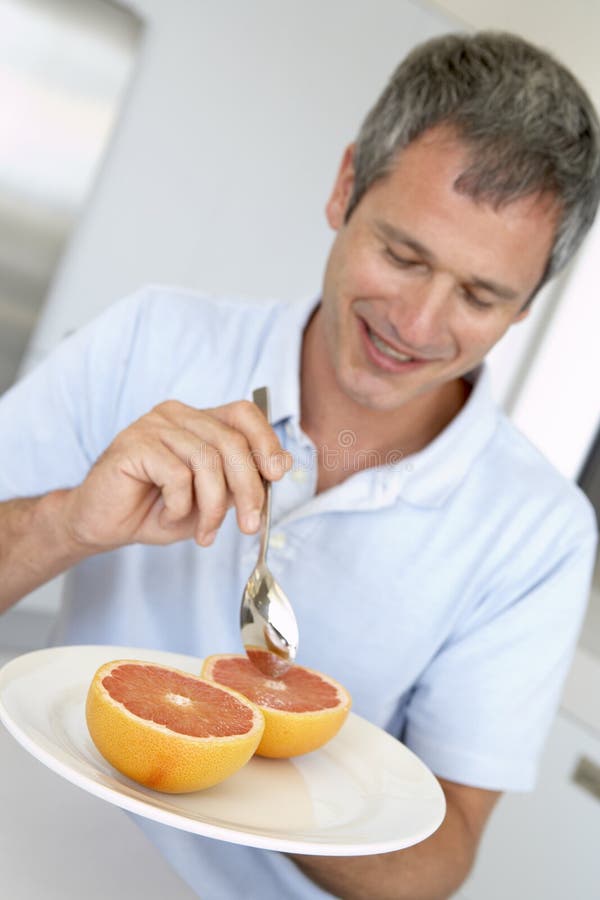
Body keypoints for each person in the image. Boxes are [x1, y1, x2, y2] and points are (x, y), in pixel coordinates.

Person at [0, 30, 599, 900]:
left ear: (530, 301)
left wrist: (244, 742)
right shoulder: (154, 336)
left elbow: (435, 867)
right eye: (403, 255)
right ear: (345, 185)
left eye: (481, 296)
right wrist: (67, 523)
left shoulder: (538, 533)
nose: (421, 326)